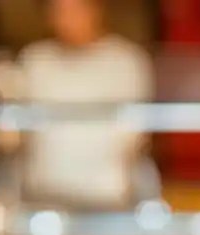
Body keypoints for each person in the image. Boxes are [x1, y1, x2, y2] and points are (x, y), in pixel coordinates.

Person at [17, 0, 153, 210]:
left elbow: (136, 134)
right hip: (44, 194)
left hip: (108, 195)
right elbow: (18, 130)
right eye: (59, 11)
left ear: (96, 10)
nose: (68, 20)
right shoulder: (35, 60)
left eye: (75, 10)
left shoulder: (126, 60)